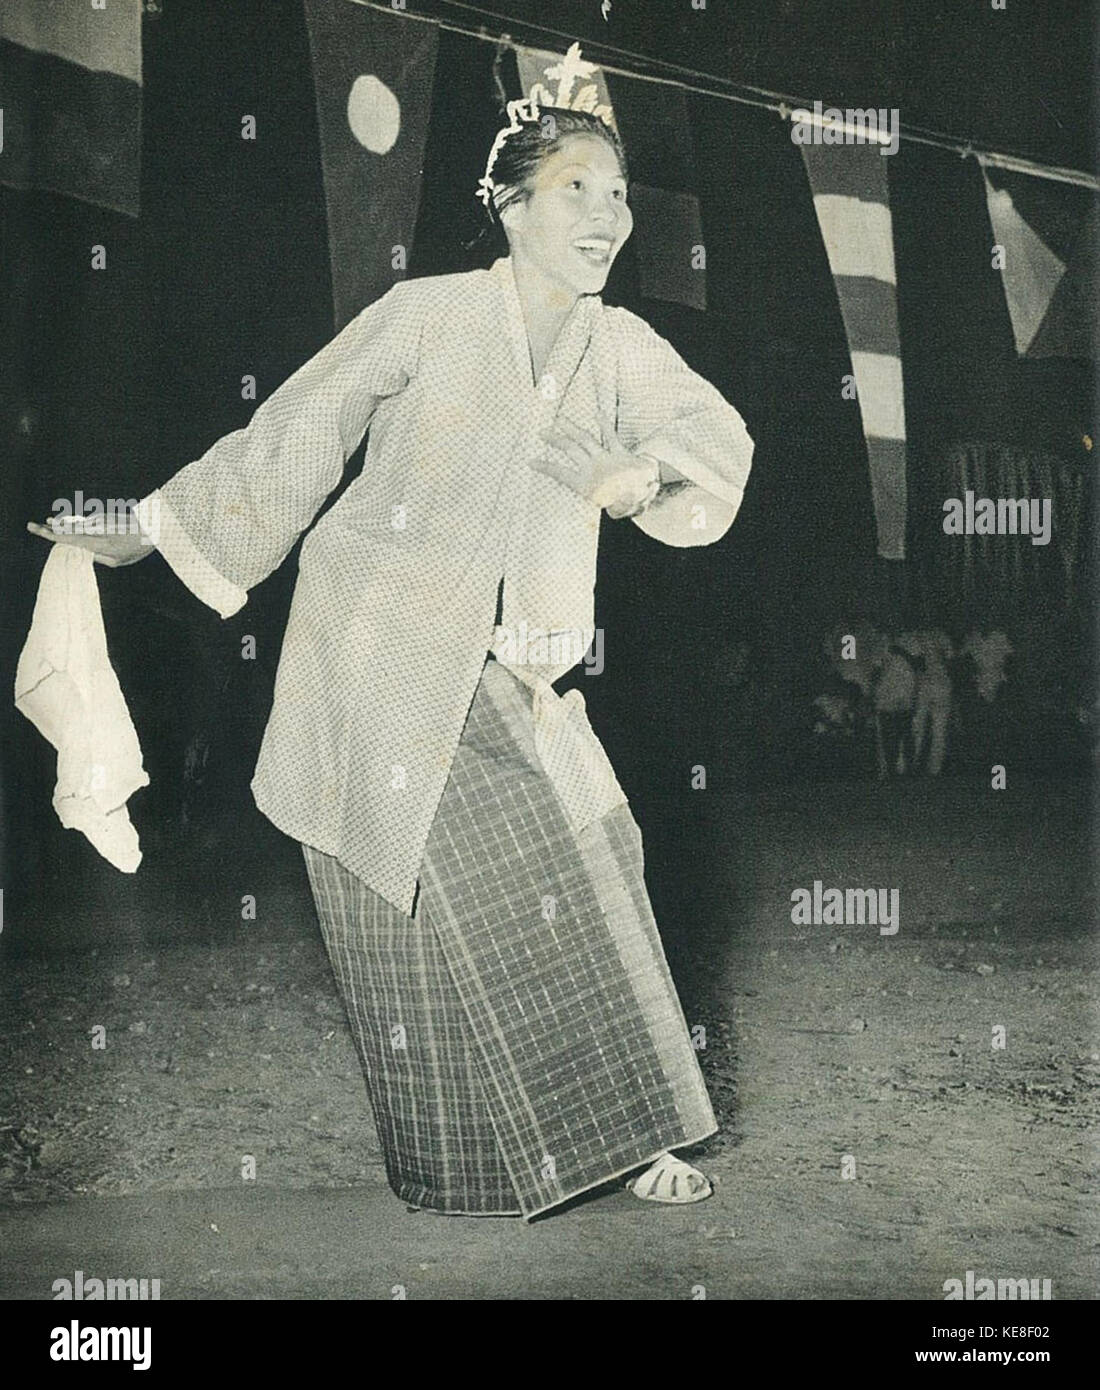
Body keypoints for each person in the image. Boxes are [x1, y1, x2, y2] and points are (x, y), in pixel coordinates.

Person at [29, 77, 754, 1219]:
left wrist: (646, 475)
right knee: (471, 886)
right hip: (380, 644)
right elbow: (298, 431)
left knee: (601, 851)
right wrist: (151, 526)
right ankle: (522, 1148)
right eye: (577, 190)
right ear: (509, 205)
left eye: (618, 194)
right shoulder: (425, 313)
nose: (607, 215)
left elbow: (711, 438)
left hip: (520, 662)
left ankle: (597, 1134)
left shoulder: (619, 344)